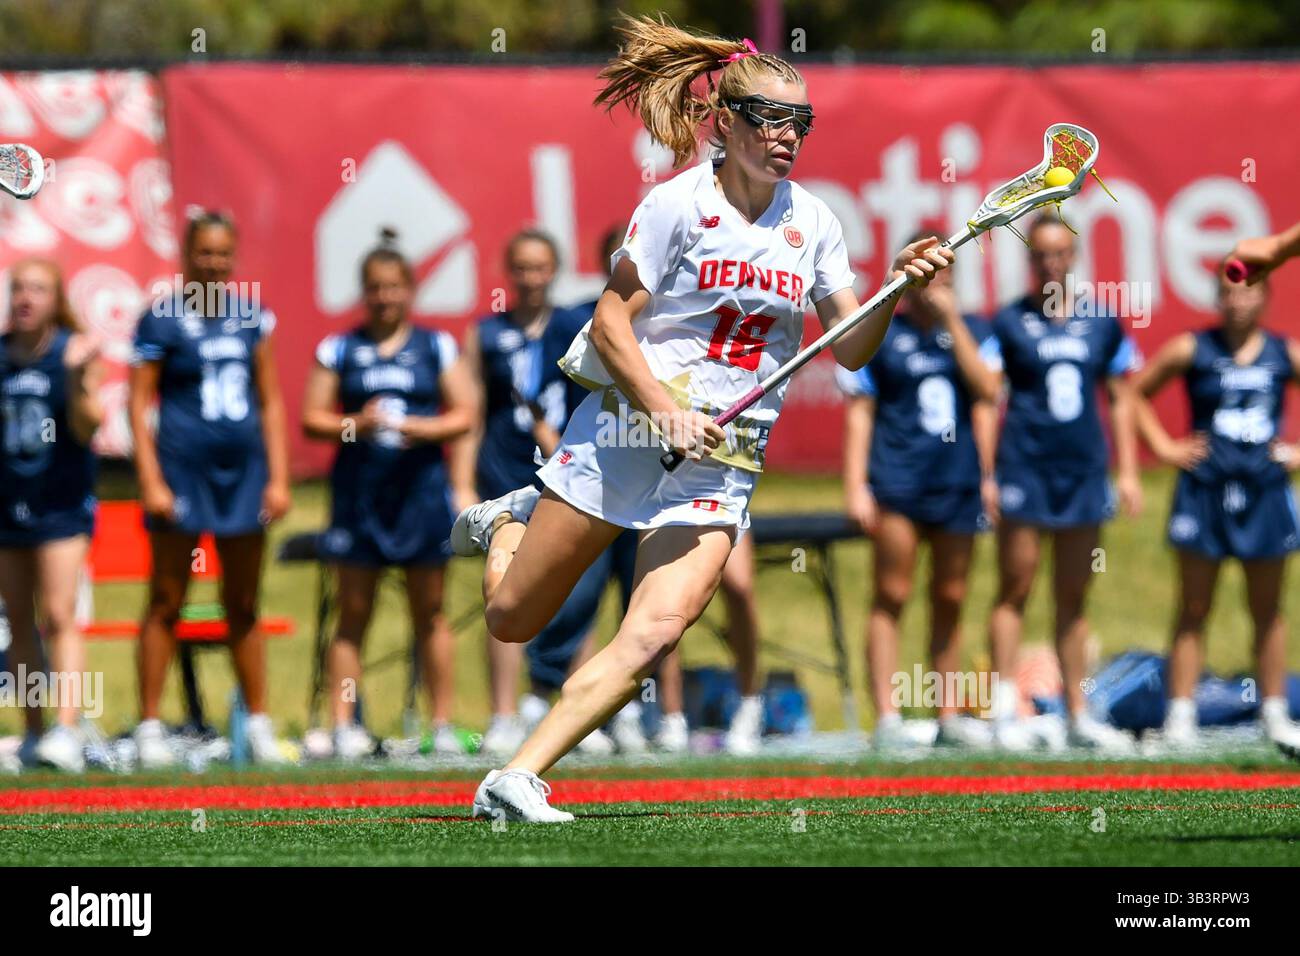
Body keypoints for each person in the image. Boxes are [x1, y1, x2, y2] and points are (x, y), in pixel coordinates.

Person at [452, 16, 954, 822]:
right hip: (624, 434)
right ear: (725, 120)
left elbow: (852, 348)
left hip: (724, 462)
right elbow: (613, 323)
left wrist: (901, 286)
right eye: (770, 117)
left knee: (658, 630)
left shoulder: (813, 223)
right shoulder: (677, 205)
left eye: (802, 122)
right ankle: (511, 524)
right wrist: (664, 412)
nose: (788, 135)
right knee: (512, 620)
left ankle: (517, 775)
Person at [449, 228, 639, 755]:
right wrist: (463, 482)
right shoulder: (486, 333)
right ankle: (505, 713)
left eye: (540, 267)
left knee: (574, 586)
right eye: (522, 268)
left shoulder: (575, 324)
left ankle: (580, 714)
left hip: (565, 470)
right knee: (506, 590)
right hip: (505, 474)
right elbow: (472, 413)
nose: (531, 278)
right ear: (508, 272)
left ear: (554, 271)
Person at [302, 229, 475, 758]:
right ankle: (343, 725)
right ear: (364, 291)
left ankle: (441, 724)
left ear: (410, 289)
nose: (384, 297)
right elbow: (312, 418)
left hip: (421, 497)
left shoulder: (436, 346)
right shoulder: (340, 348)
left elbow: (465, 414)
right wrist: (358, 423)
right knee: (353, 615)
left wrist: (420, 429)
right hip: (360, 498)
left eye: (394, 286)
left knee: (431, 613)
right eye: (375, 287)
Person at [128, 210, 291, 767]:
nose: (214, 262)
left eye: (223, 253)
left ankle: (259, 723)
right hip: (181, 472)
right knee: (166, 599)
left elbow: (270, 401)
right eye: (205, 252)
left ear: (233, 256)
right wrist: (149, 478)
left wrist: (278, 475)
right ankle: (150, 725)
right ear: (186, 254)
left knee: (243, 601)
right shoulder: (160, 320)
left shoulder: (252, 317)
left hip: (242, 474)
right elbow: (136, 402)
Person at [984, 215, 1143, 752]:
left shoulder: (1101, 322)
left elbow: (1122, 396)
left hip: (1082, 473)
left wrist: (1128, 469)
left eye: (1060, 254)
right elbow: (987, 399)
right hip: (1026, 468)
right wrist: (987, 474)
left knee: (1073, 595)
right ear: (1029, 262)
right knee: (1016, 586)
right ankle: (1006, 708)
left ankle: (1077, 712)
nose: (1051, 264)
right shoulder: (1009, 322)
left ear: (1073, 257)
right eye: (1041, 255)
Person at [836, 254, 1001, 750]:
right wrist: (855, 485)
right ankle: (887, 716)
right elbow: (860, 413)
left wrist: (951, 321)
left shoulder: (974, 329)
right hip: (899, 481)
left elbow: (988, 391)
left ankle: (947, 714)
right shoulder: (885, 333)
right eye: (927, 278)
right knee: (892, 593)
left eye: (944, 278)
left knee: (950, 597)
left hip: (957, 480)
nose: (936, 288)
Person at [1133, 261, 1300, 751]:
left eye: (1249, 290)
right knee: (1193, 606)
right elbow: (1135, 392)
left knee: (1267, 609)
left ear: (1265, 295)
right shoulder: (1193, 348)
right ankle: (1180, 716)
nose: (1239, 300)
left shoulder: (1282, 353)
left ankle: (1274, 714)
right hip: (1204, 491)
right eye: (1229, 291)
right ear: (1217, 298)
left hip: (1265, 492)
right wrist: (1164, 448)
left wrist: (1294, 453)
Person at [0, 259, 102, 772]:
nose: (25, 298)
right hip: (7, 507)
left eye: (37, 289)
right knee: (18, 622)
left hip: (61, 505)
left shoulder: (72, 351)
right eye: (18, 288)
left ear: (55, 298)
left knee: (59, 614)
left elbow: (87, 430)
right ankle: (32, 731)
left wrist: (79, 380)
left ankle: (66, 727)